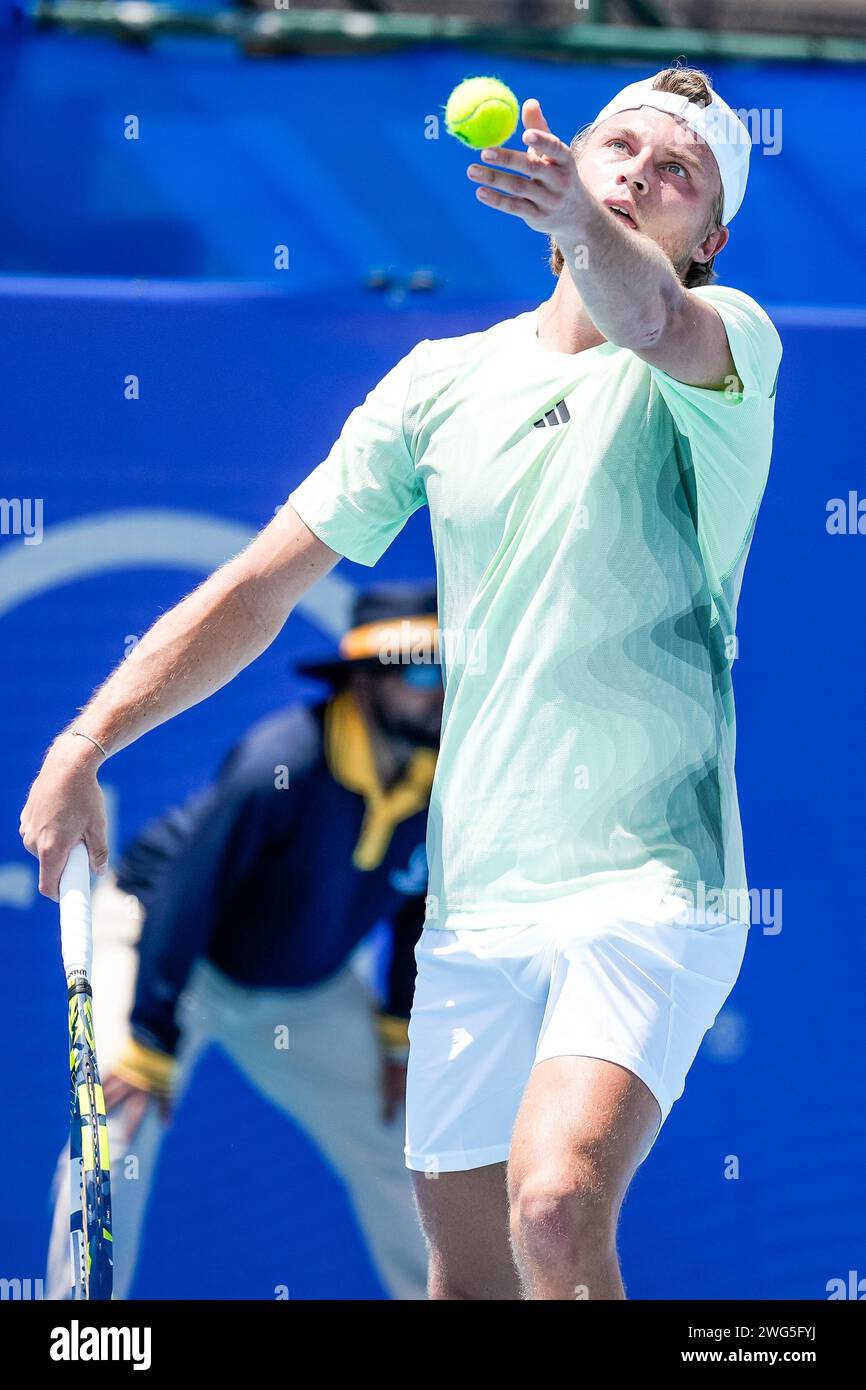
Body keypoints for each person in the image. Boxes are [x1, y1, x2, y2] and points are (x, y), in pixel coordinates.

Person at [22, 66, 782, 1300]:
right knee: (464, 1278)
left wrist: (576, 222)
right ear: (570, 156)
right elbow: (260, 587)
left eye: (676, 172)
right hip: (475, 903)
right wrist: (86, 740)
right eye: (616, 149)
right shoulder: (439, 384)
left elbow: (650, 320)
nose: (640, 172)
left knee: (554, 1205)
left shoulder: (722, 343)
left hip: (649, 878)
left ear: (709, 240)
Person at [44, 584, 442, 1300]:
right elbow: (188, 894)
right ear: (363, 678)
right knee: (109, 1142)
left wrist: (396, 1032)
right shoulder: (277, 765)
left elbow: (420, 907)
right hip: (161, 950)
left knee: (411, 1142)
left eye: (451, 672)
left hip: (303, 992)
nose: (440, 692)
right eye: (420, 671)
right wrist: (150, 1037)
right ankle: (79, 1335)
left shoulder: (448, 783)